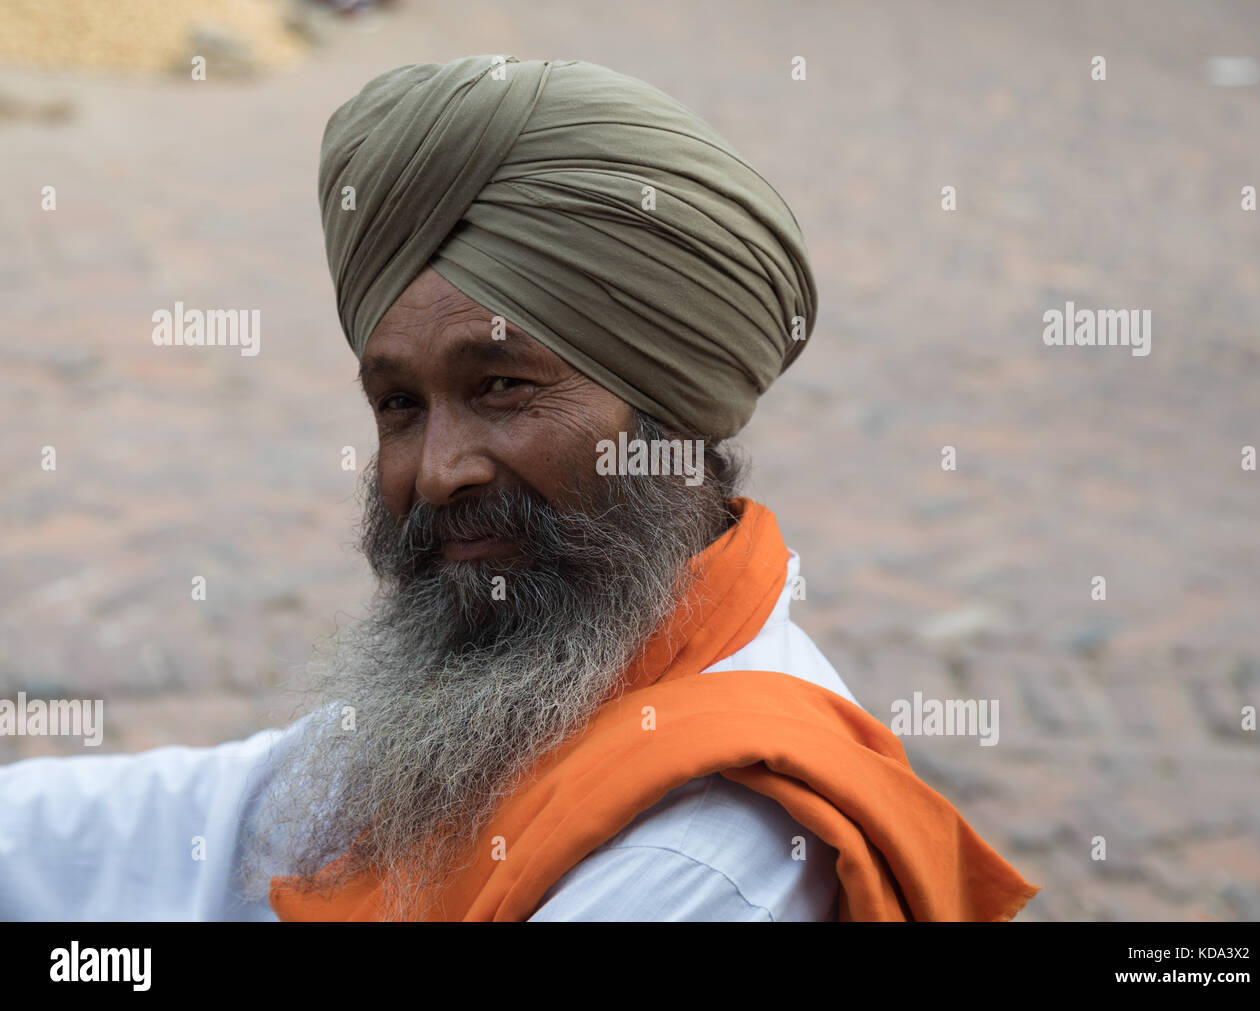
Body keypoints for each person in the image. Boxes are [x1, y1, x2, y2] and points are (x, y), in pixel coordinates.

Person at [0, 55, 1038, 922]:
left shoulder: (707, 871)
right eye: (399, 405)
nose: (438, 469)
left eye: (502, 388)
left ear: (670, 416)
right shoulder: (513, 691)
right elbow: (206, 823)